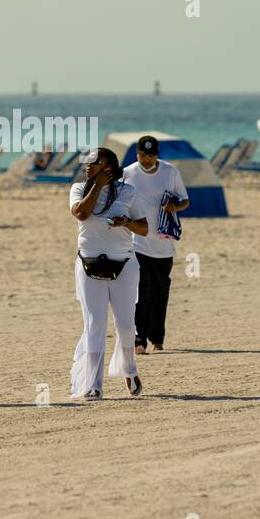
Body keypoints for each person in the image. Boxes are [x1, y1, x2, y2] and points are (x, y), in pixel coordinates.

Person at [69, 147, 149, 400]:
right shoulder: (79, 189)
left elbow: (144, 229)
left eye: (94, 162)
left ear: (109, 166)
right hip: (88, 262)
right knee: (95, 324)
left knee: (126, 325)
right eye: (87, 162)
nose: (88, 165)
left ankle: (129, 368)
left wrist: (126, 223)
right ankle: (93, 384)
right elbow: (81, 212)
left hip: (124, 262)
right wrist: (97, 186)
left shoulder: (128, 191)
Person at [121, 135, 189, 354]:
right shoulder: (128, 173)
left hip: (163, 243)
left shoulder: (170, 172)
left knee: (161, 292)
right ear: (137, 154)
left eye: (150, 156)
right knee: (141, 291)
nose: (146, 159)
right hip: (137, 242)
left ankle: (157, 338)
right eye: (142, 155)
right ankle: (139, 339)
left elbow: (185, 200)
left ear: (157, 155)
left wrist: (174, 207)